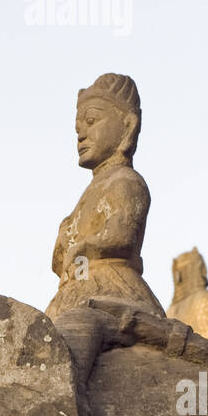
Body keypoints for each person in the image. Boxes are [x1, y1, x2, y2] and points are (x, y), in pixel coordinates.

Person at [46, 72, 164, 322]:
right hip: (72, 289)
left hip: (111, 284)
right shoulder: (89, 193)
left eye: (92, 121)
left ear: (128, 125)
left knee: (80, 327)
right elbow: (59, 262)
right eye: (78, 128)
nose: (81, 135)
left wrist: (85, 246)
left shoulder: (126, 181)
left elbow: (122, 234)